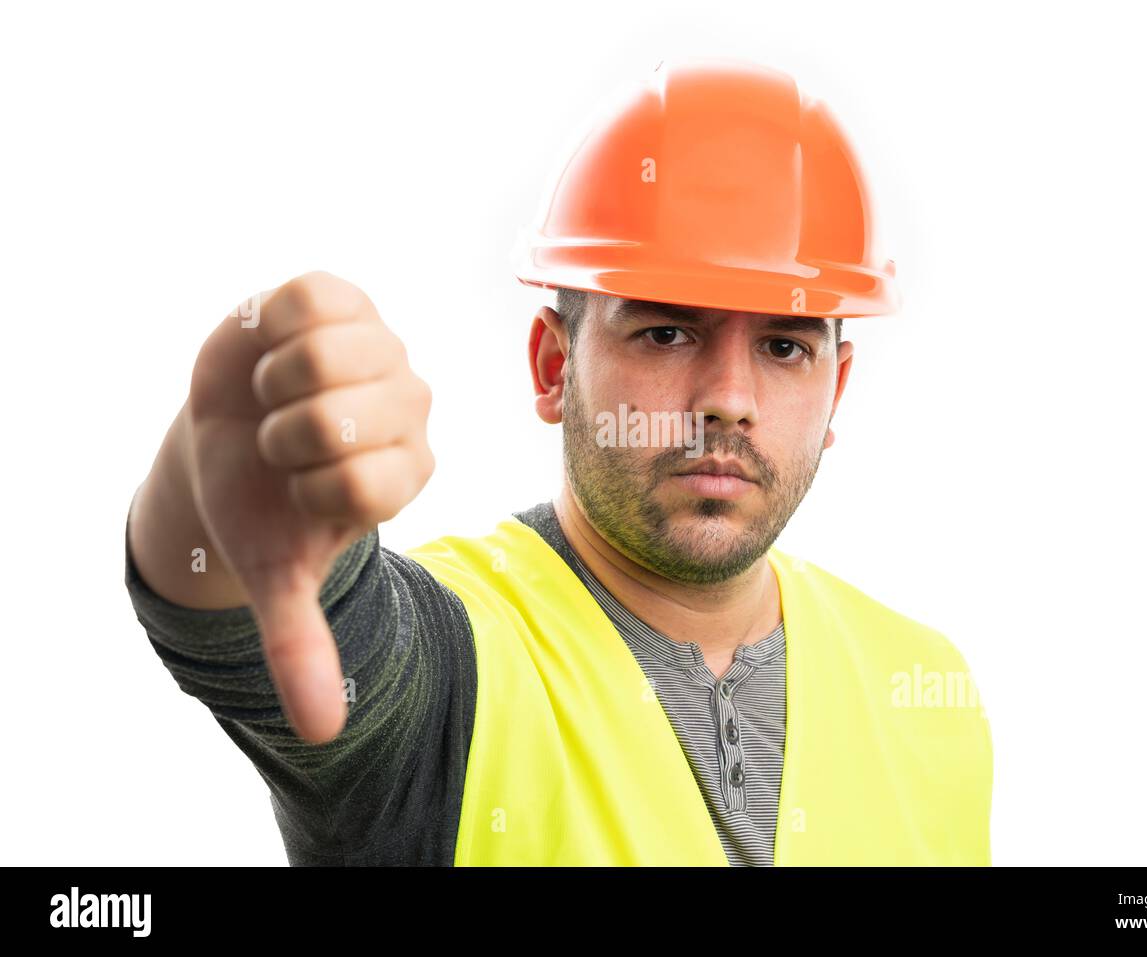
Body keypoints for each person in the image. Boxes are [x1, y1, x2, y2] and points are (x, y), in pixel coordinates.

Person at [124, 56, 992, 866]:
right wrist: (228, 470)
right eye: (666, 330)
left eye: (784, 346)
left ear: (836, 389)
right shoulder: (457, 671)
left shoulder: (926, 692)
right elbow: (309, 625)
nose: (729, 396)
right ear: (552, 366)